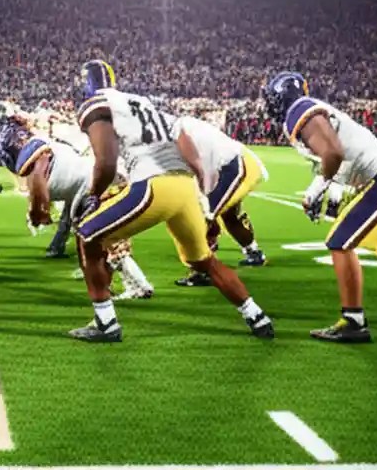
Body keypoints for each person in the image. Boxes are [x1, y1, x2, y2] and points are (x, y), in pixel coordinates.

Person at [69, 60, 274, 342]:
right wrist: (200, 175)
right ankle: (256, 316)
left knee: (87, 235)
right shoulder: (141, 102)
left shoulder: (96, 105)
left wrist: (93, 195)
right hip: (184, 187)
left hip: (153, 186)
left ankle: (105, 322)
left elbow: (106, 162)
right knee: (205, 261)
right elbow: (180, 134)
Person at [264, 71, 377, 343]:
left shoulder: (299, 109)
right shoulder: (308, 108)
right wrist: (328, 190)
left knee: (339, 242)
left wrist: (318, 188)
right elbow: (338, 158)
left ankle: (353, 320)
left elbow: (334, 154)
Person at [0, 116, 153, 299]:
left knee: (100, 243)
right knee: (98, 243)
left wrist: (37, 212)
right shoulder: (47, 145)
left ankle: (135, 286)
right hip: (98, 185)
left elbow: (38, 181)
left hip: (96, 188)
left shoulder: (37, 156)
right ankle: (124, 285)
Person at [170, 114, 270, 287]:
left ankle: (204, 270)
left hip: (233, 165)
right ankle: (254, 253)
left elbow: (194, 167)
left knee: (203, 217)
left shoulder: (172, 133)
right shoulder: (178, 126)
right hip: (231, 163)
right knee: (228, 216)